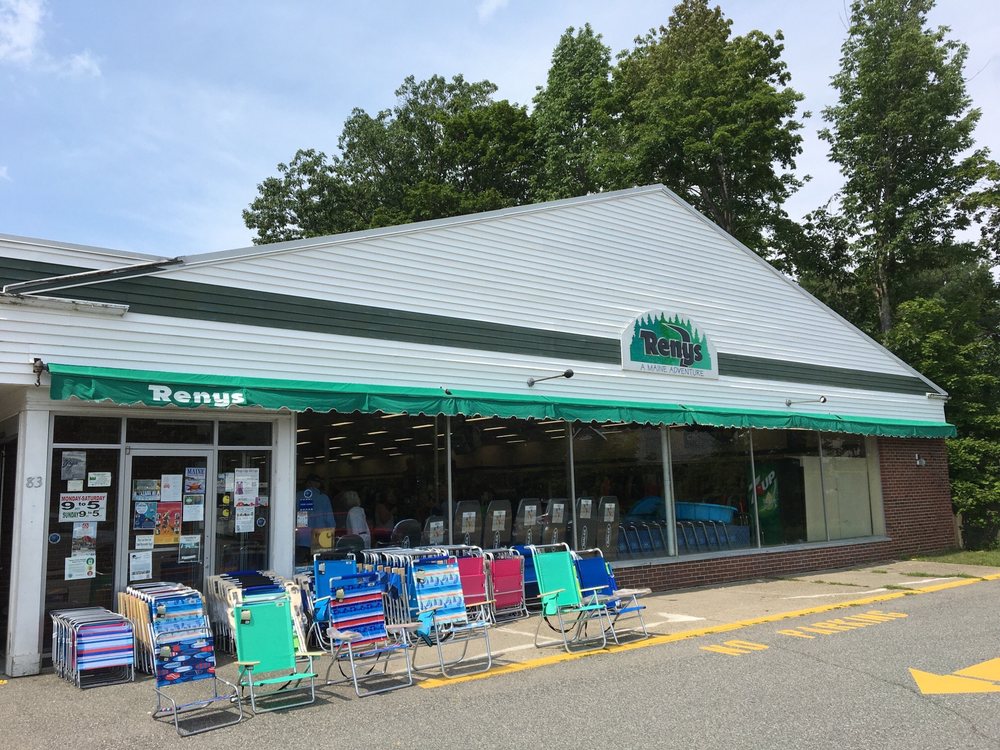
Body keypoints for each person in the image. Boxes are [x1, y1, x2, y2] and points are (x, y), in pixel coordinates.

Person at [295, 473, 333, 564]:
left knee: (299, 563)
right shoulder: (324, 498)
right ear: (319, 484)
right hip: (321, 536)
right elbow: (329, 519)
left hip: (302, 535)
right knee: (320, 565)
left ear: (307, 483)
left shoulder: (297, 496)